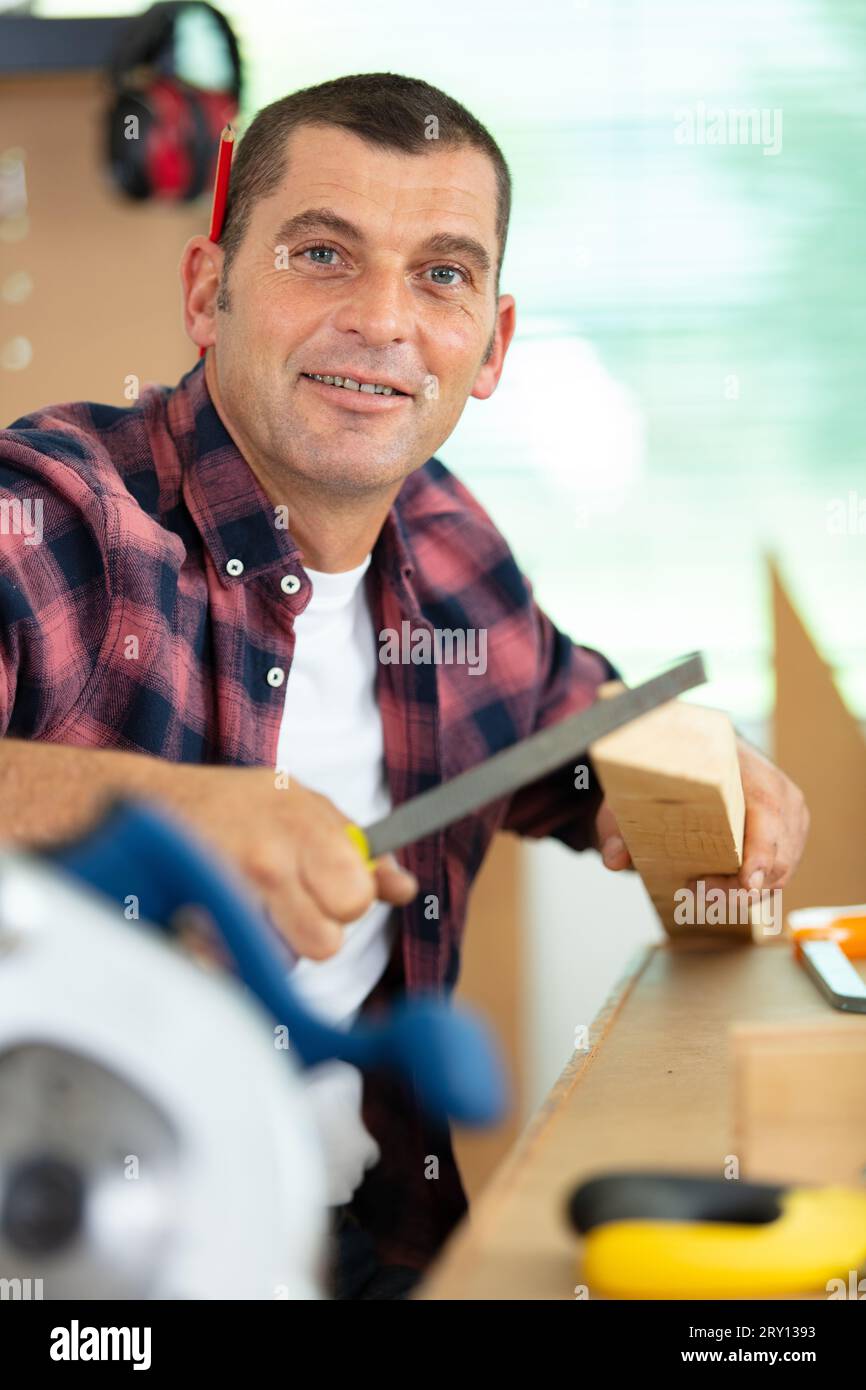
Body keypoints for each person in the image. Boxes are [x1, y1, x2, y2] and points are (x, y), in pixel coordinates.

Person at [0, 73, 809, 1298]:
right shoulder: (52, 520)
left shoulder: (448, 549)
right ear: (208, 293)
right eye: (322, 254)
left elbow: (574, 733)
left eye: (440, 274)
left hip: (364, 1243)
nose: (382, 319)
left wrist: (689, 761)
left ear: (490, 345)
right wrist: (169, 812)